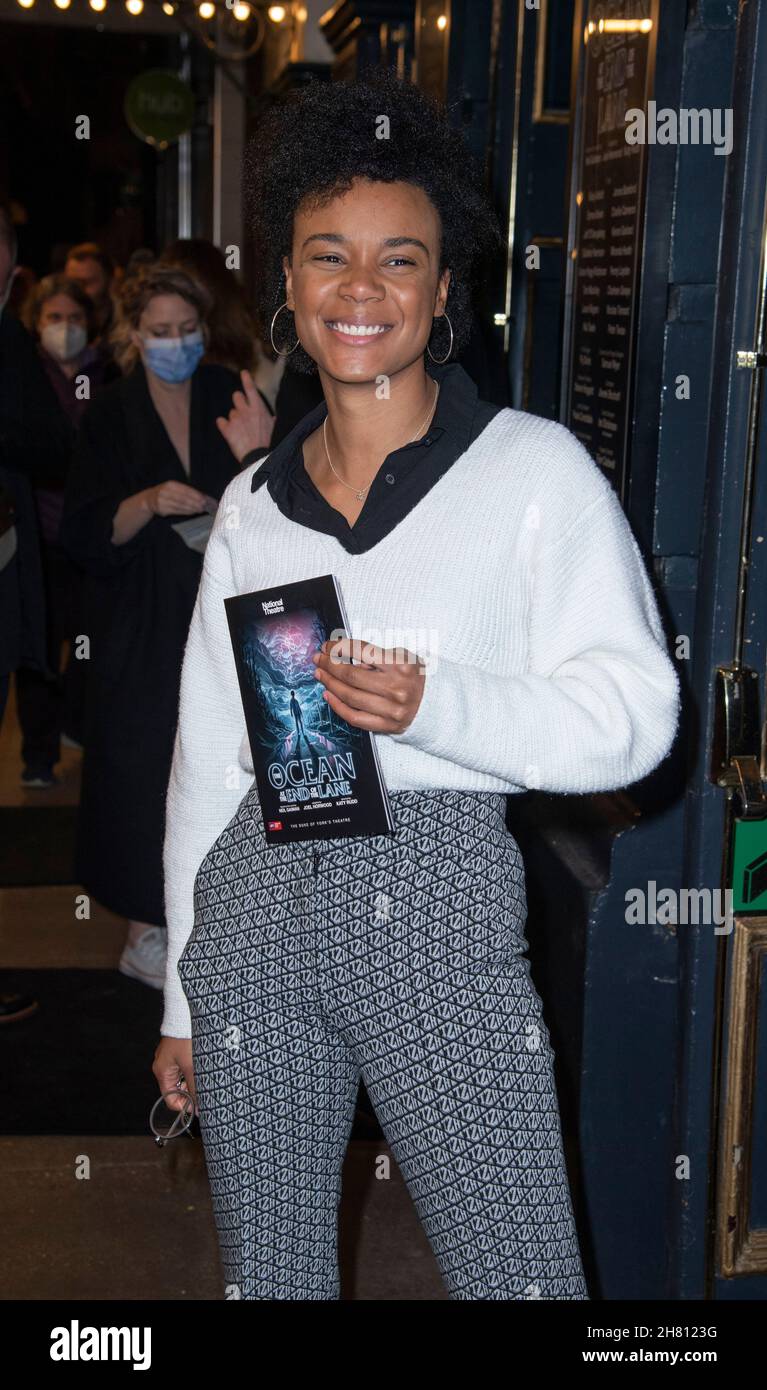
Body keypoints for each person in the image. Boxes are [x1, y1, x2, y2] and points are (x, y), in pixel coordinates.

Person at [154, 72, 680, 1300]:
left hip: (434, 918)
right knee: (270, 1283)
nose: (360, 288)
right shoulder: (251, 508)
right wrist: (182, 986)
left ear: (445, 292)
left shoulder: (530, 473)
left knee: (523, 1281)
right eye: (327, 255)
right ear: (284, 283)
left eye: (400, 260)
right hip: (253, 915)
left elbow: (636, 711)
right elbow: (208, 760)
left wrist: (433, 704)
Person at [59, 263, 241, 991]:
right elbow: (82, 531)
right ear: (134, 335)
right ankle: (143, 931)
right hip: (137, 616)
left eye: (187, 330)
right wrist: (146, 501)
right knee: (140, 767)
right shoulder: (108, 413)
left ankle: (211, 921)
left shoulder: (230, 394)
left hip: (216, 606)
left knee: (215, 759)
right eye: (160, 332)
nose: (175, 343)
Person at [14, 275, 119, 784]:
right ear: (36, 322)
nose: (65, 328)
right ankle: (38, 755)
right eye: (54, 318)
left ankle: (80, 732)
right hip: (37, 536)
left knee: (87, 645)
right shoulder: (23, 376)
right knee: (37, 650)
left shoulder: (108, 374)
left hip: (89, 538)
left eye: (74, 318)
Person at [63, 242, 115, 347]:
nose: (78, 291)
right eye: (72, 283)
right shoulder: (57, 321)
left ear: (109, 281)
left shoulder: (124, 325)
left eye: (87, 283)